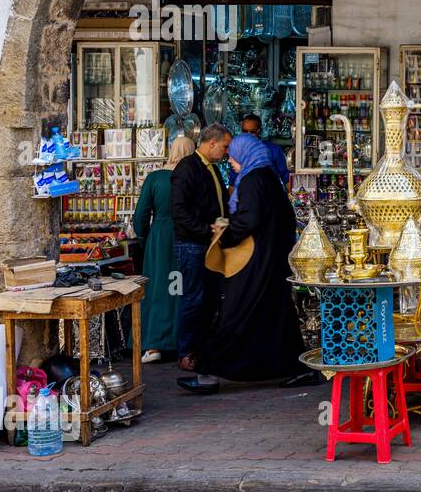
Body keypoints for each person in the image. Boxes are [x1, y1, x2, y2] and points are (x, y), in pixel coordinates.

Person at [184, 134, 305, 393]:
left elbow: (248, 220)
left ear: (245, 154)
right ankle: (298, 367)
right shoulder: (270, 178)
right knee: (277, 314)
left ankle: (208, 373)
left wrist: (224, 235)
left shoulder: (252, 181)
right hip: (272, 261)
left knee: (234, 311)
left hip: (253, 261)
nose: (231, 160)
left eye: (234, 155)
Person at [170, 123, 231, 373]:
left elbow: (219, 203)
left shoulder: (213, 170)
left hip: (211, 244)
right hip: (192, 244)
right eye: (225, 146)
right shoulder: (187, 168)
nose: (227, 152)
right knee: (193, 298)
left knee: (211, 298)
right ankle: (186, 352)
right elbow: (179, 211)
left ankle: (203, 348)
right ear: (212, 143)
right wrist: (207, 230)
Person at [130, 136, 195, 362]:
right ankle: (181, 342)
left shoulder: (155, 178)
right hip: (186, 235)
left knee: (158, 288)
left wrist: (143, 238)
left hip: (159, 237)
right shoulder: (193, 177)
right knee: (180, 287)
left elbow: (141, 215)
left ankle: (153, 344)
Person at [237, 113, 290, 186]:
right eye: (245, 131)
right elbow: (232, 184)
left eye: (252, 132)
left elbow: (286, 179)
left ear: (259, 131)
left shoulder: (274, 150)